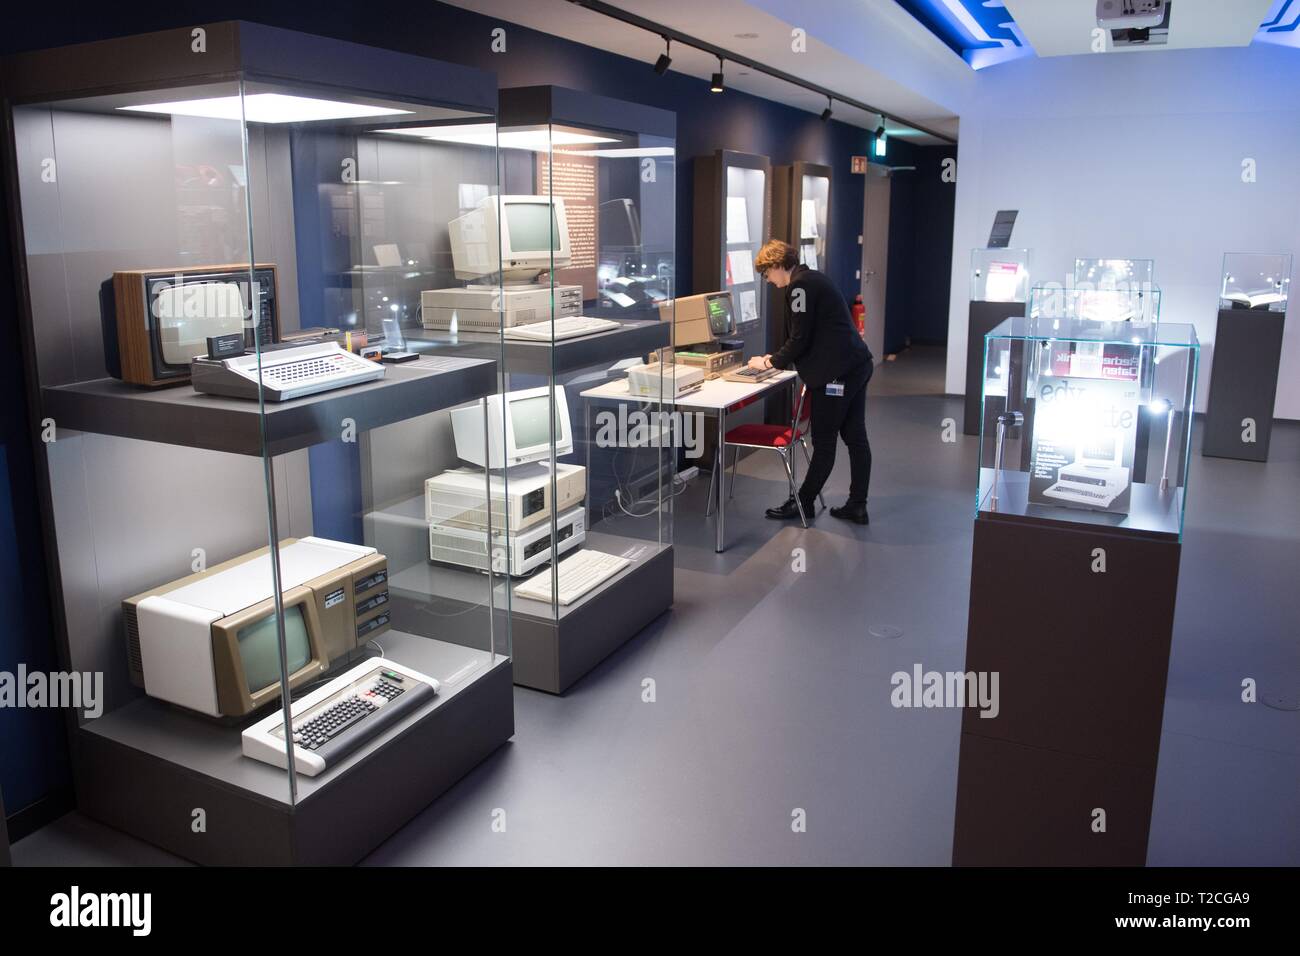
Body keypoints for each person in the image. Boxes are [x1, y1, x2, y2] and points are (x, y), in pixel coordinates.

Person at [750, 239, 874, 525]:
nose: (767, 280)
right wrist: (779, 356)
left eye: (766, 272)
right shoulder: (813, 279)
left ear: (778, 265)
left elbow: (800, 337)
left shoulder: (799, 288)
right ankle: (857, 504)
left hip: (837, 374)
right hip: (857, 364)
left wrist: (768, 362)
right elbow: (808, 334)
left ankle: (803, 502)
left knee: (824, 440)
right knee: (855, 437)